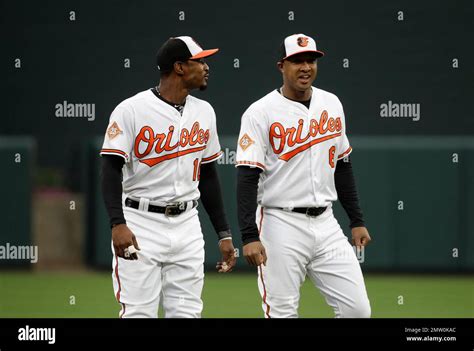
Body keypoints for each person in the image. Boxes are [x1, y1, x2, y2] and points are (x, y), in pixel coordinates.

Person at [236, 33, 371, 318]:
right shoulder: (260, 112)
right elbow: (247, 176)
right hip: (279, 222)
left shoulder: (332, 103)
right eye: (297, 61)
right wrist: (249, 235)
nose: (305, 67)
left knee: (357, 311)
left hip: (326, 222)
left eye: (310, 60)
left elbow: (343, 165)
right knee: (282, 313)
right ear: (281, 66)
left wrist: (356, 220)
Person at [100, 36, 236, 318]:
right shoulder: (131, 110)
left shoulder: (205, 111)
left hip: (187, 224)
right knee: (138, 313)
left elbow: (208, 175)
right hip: (140, 222)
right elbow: (110, 169)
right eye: (200, 61)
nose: (206, 67)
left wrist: (223, 233)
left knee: (188, 314)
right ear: (179, 67)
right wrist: (117, 224)